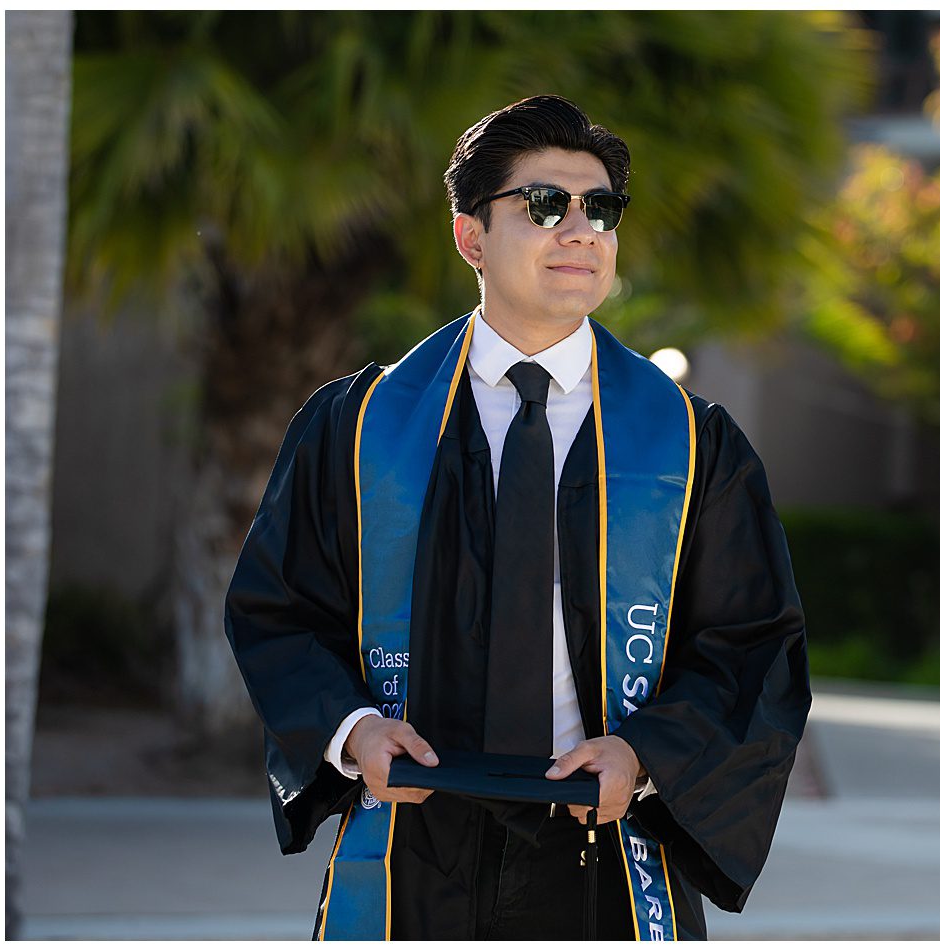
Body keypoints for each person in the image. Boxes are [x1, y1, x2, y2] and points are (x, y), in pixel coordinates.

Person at [224, 95, 810, 940]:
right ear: (471, 236)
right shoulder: (359, 425)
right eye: (545, 205)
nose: (581, 230)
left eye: (601, 209)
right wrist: (353, 732)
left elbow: (752, 643)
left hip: (606, 851)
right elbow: (276, 608)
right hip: (411, 851)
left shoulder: (691, 442)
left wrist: (649, 753)